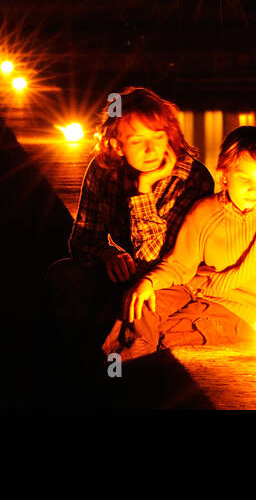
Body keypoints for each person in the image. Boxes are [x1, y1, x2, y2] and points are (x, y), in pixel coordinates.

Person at [102, 126, 256, 360]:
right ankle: (115, 367)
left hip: (244, 310)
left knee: (170, 334)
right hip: (198, 288)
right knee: (140, 304)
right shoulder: (204, 211)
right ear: (224, 175)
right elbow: (180, 264)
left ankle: (124, 367)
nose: (254, 190)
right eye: (245, 179)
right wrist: (149, 282)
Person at [44, 88, 214, 363]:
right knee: (63, 274)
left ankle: (124, 371)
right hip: (129, 274)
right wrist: (107, 254)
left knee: (136, 303)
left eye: (159, 138)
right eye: (137, 141)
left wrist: (143, 190)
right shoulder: (103, 170)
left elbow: (155, 258)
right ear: (117, 143)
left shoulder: (191, 179)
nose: (151, 150)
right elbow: (82, 238)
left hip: (172, 280)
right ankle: (70, 362)